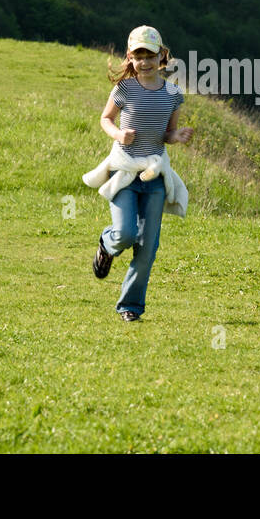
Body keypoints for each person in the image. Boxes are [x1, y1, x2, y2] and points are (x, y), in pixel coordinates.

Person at [88, 26, 193, 321]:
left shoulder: (172, 93)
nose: (144, 61)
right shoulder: (124, 89)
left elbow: (168, 134)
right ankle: (107, 245)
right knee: (125, 233)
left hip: (155, 176)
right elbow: (106, 118)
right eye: (138, 55)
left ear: (161, 56)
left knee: (147, 248)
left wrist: (177, 137)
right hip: (124, 172)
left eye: (150, 55)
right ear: (130, 57)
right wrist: (119, 135)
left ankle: (130, 307)